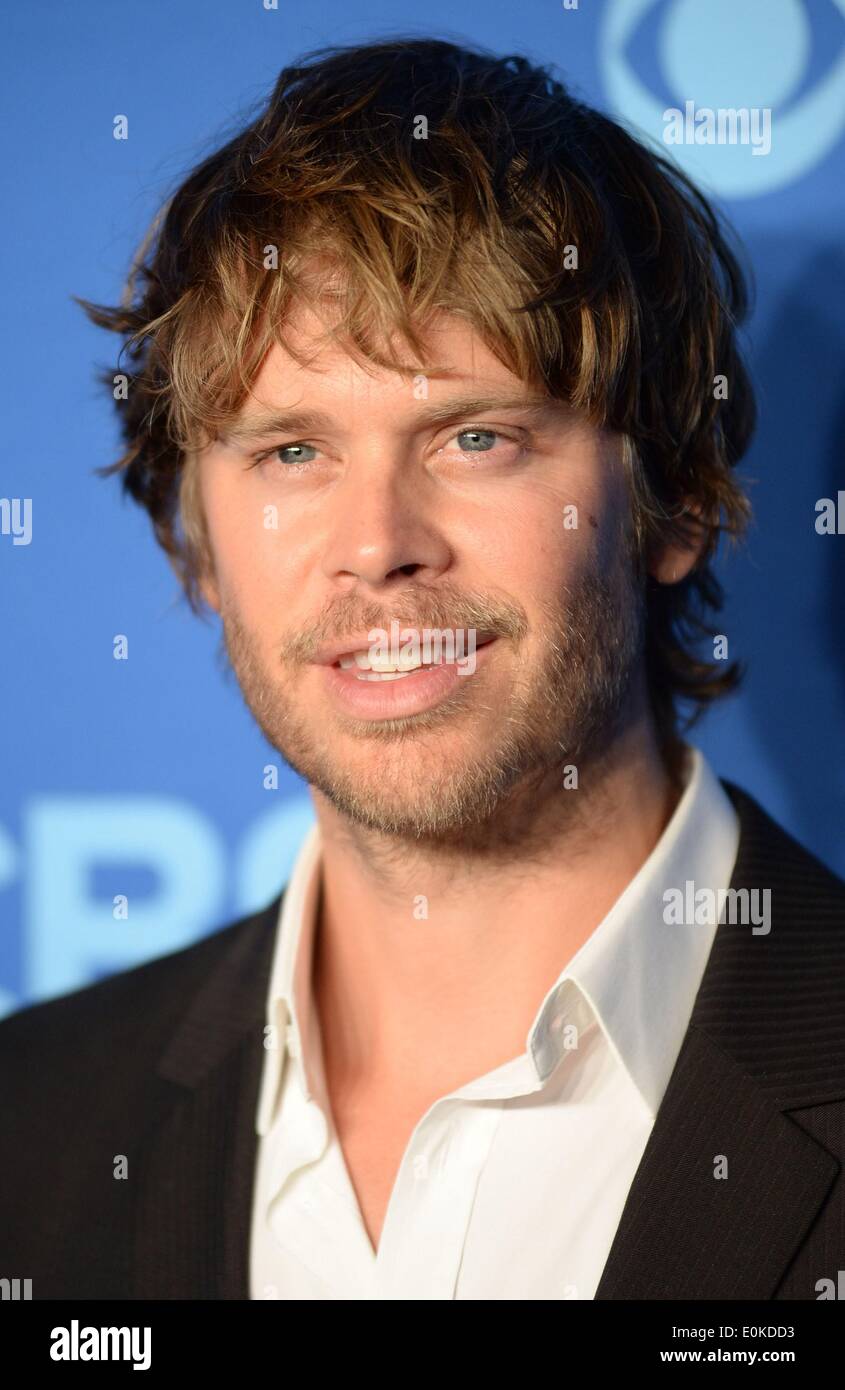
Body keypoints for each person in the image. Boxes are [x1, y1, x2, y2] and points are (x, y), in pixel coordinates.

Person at [2, 36, 843, 1301]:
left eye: (477, 435)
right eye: (291, 451)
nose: (376, 545)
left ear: (673, 503)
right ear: (198, 547)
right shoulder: (35, 1120)